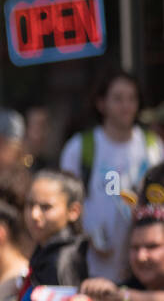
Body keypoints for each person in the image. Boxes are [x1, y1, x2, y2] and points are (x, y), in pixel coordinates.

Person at [59, 69, 164, 281]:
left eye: (132, 99)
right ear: (101, 103)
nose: (126, 106)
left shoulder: (154, 146)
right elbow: (64, 204)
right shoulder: (79, 148)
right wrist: (87, 235)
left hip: (144, 269)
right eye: (118, 99)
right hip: (92, 269)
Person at [58, 205, 164, 301]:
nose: (141, 256)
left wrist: (121, 297)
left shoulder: (123, 295)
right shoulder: (125, 290)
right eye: (135, 248)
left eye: (152, 247)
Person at [8, 170, 87, 301]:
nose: (34, 214)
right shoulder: (46, 250)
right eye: (30, 204)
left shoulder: (60, 260)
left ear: (73, 211)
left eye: (46, 207)